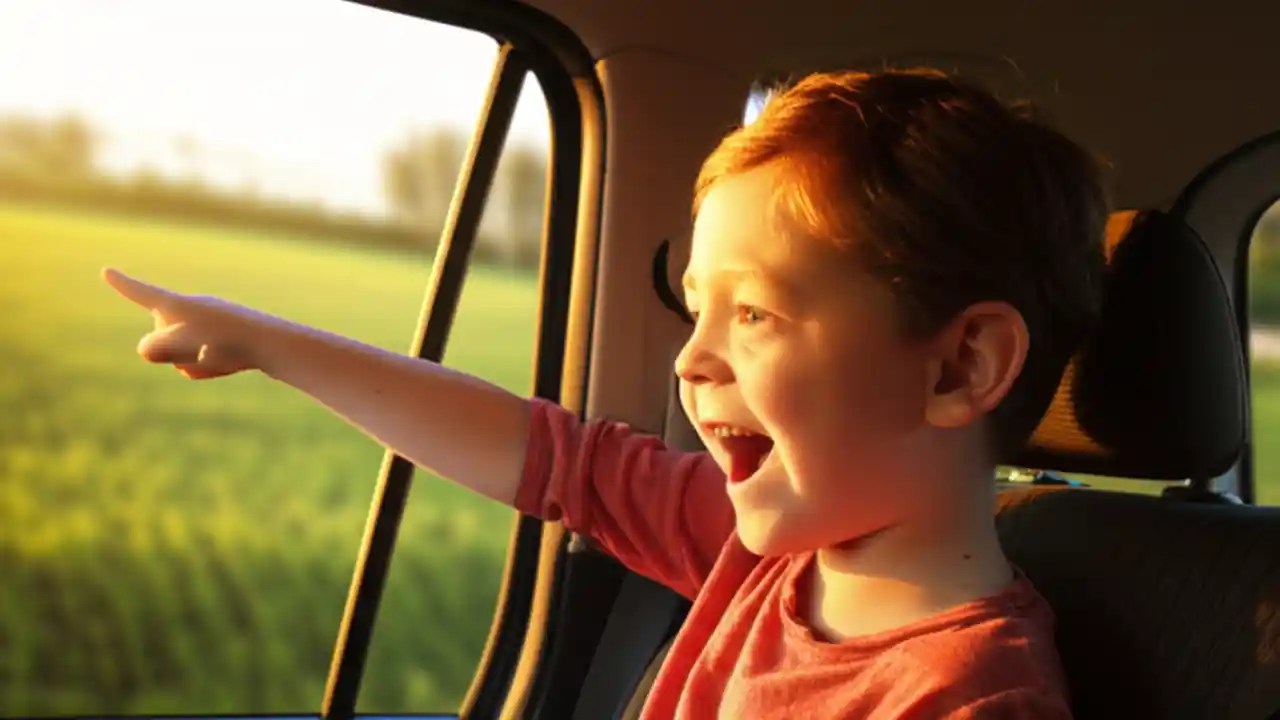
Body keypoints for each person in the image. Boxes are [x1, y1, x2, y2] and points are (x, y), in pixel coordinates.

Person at [103, 68, 1106, 718]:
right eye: (693, 311)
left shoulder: (968, 701)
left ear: (956, 368)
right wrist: (268, 342)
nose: (688, 361)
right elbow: (546, 458)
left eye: (751, 315)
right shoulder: (760, 553)